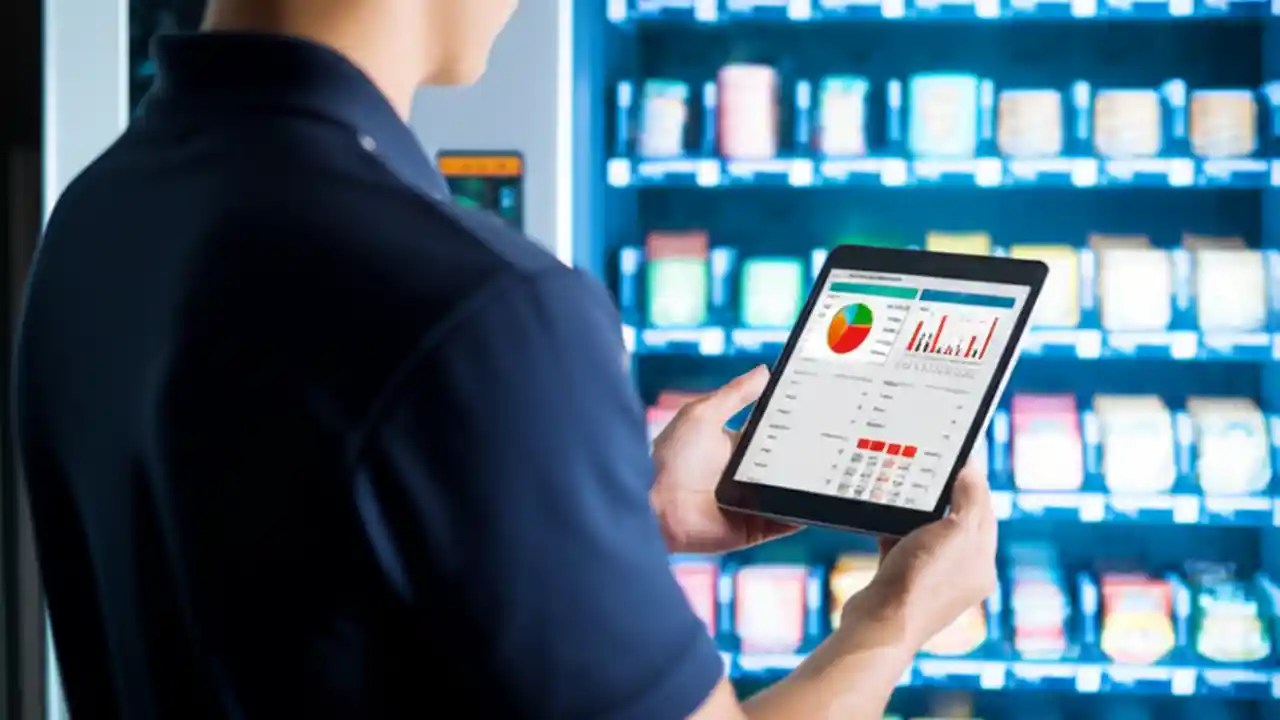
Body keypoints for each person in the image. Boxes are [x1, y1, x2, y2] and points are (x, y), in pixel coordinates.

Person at [12, 1, 997, 718]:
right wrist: (893, 619)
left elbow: (291, 582)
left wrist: (608, 525)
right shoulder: (486, 308)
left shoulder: (98, 216)